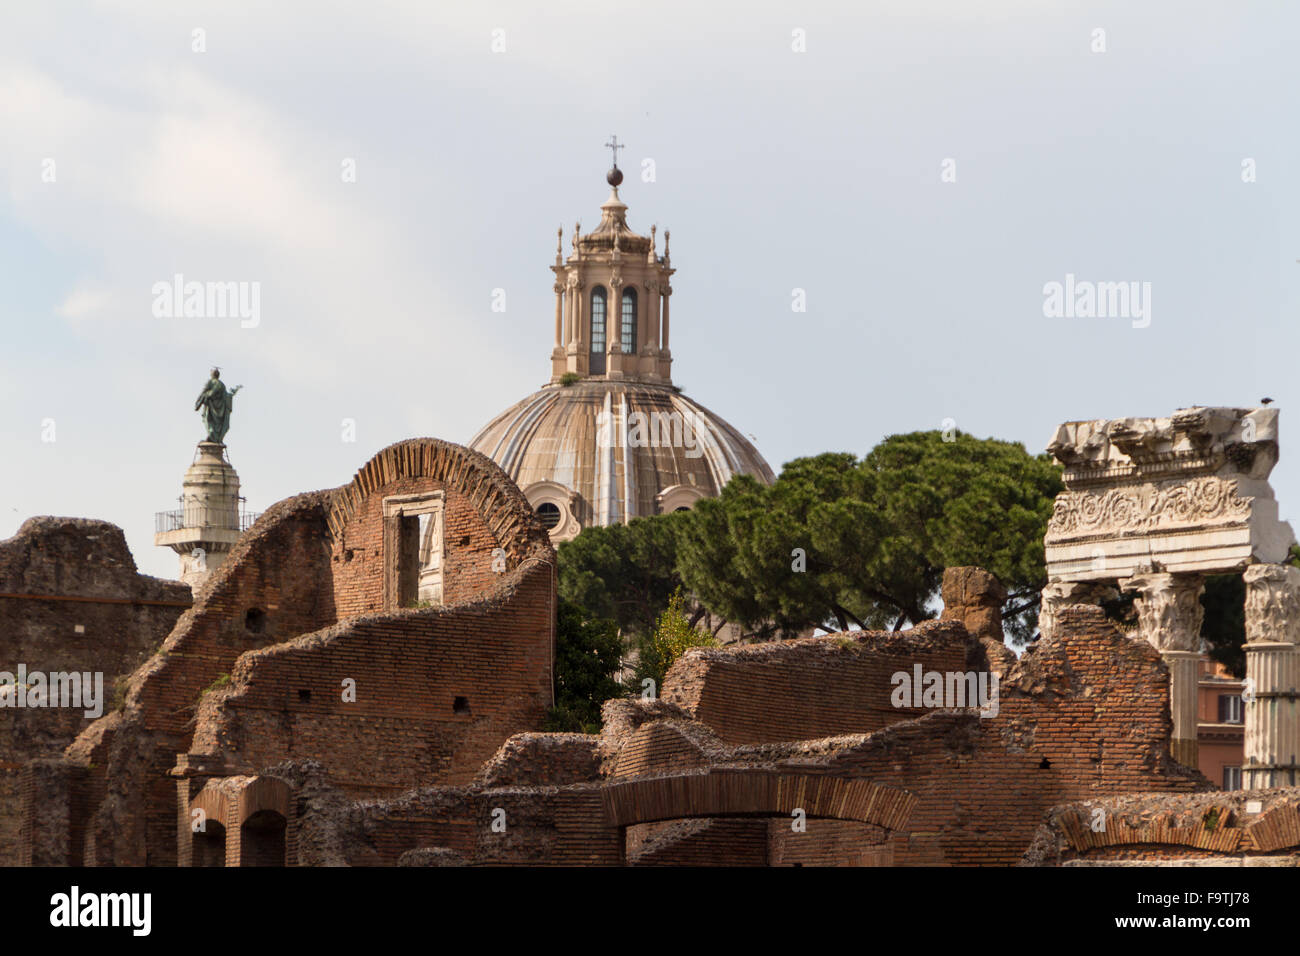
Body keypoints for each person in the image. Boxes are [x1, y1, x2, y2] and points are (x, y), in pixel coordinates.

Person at [194, 368, 242, 443]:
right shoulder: (222, 385)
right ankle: (215, 437)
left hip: (211, 407)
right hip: (220, 409)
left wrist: (198, 402)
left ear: (212, 375)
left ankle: (212, 436)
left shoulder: (210, 382)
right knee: (217, 423)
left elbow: (203, 392)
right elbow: (226, 396)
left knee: (209, 420)